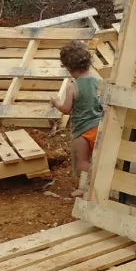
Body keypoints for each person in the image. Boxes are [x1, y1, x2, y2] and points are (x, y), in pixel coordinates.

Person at [50, 40, 104, 199]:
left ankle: (102, 179)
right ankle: (86, 188)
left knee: (82, 163)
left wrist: (56, 103)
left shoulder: (73, 86)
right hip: (98, 127)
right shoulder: (96, 81)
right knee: (93, 158)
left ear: (69, 68)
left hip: (82, 131)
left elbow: (66, 109)